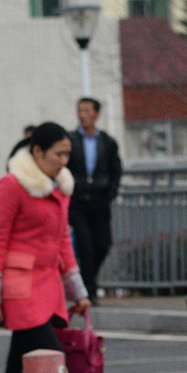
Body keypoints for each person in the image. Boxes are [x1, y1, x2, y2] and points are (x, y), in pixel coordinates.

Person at [0, 122, 113, 373]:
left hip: (48, 287)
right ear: (37, 153)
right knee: (52, 360)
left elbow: (63, 242)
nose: (65, 160)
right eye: (59, 153)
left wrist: (78, 291)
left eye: (68, 153)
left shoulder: (59, 187)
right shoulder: (10, 186)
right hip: (20, 289)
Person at [67, 97, 123, 304]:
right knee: (85, 246)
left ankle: (85, 279)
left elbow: (116, 169)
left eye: (87, 111)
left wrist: (111, 192)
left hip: (100, 201)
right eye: (80, 110)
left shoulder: (107, 142)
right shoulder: (71, 140)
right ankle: (89, 290)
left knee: (103, 244)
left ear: (96, 114)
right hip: (78, 202)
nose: (82, 115)